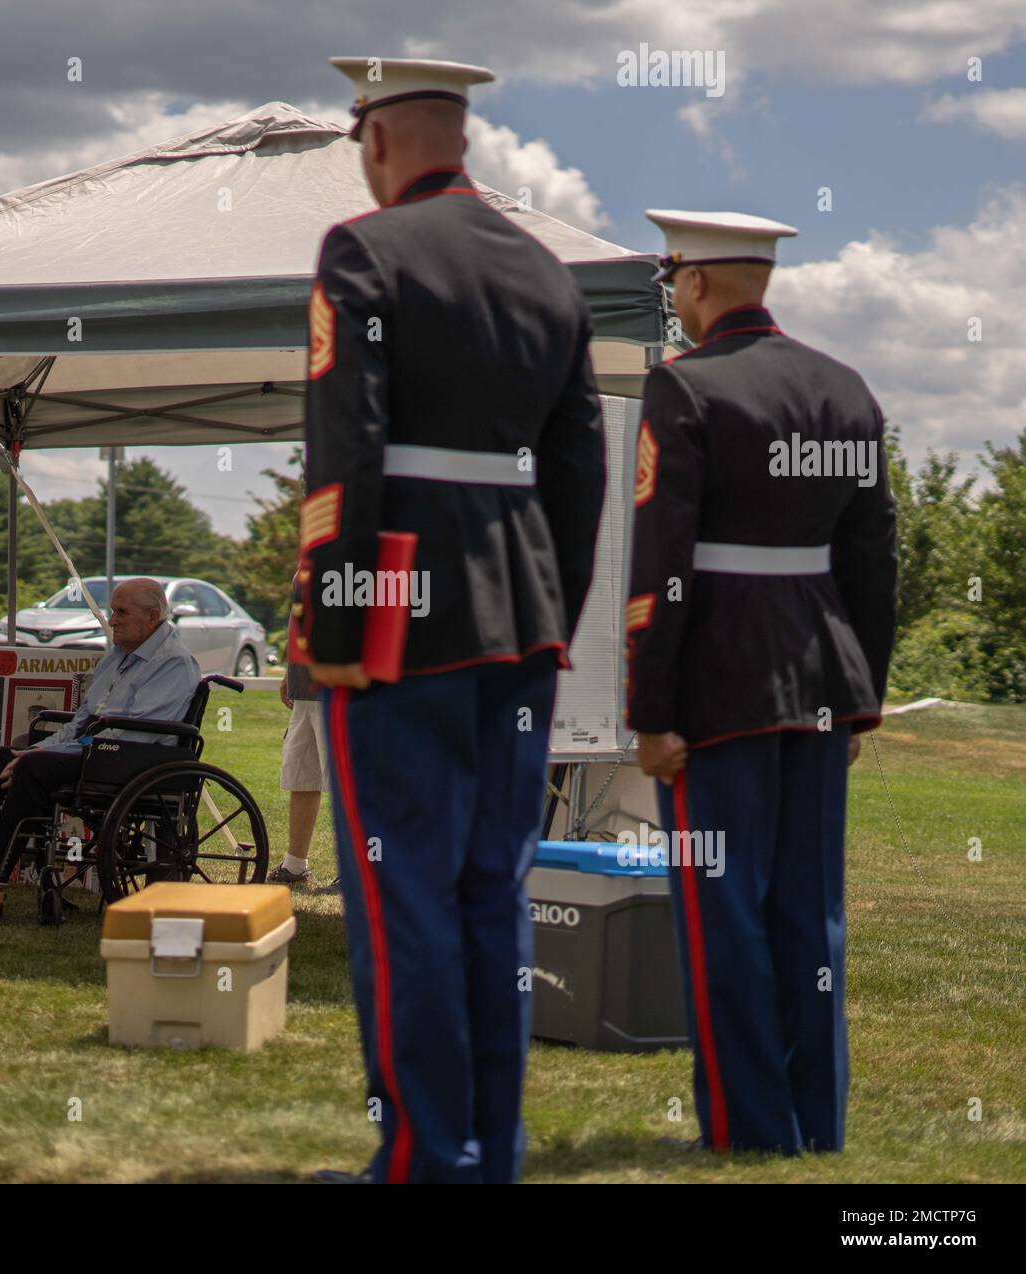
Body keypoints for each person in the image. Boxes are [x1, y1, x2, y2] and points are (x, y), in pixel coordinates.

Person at [293, 56, 605, 1183]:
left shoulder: (362, 252)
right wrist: (549, 617)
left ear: (374, 140)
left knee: (400, 888)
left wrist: (335, 629)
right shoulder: (545, 270)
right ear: (458, 138)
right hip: (518, 614)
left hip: (398, 617)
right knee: (489, 887)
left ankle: (427, 1154)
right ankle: (489, 1148)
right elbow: (580, 475)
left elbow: (347, 452)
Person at [626, 209, 898, 1153]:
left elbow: (662, 564)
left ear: (695, 282)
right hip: (822, 678)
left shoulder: (686, 389)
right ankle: (815, 1122)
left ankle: (748, 1129)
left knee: (722, 913)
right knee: (808, 910)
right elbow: (873, 559)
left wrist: (650, 712)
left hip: (719, 690)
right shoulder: (845, 388)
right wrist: (863, 696)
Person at [0, 578, 200, 922]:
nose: (111, 620)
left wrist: (41, 757)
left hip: (129, 760)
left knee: (34, 770)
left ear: (152, 616)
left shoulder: (172, 663)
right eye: (112, 611)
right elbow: (81, 722)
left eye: (121, 612)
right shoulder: (119, 657)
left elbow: (133, 735)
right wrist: (36, 750)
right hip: (100, 752)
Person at [267, 569, 331, 889]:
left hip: (337, 684)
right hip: (305, 684)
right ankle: (295, 866)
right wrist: (289, 673)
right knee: (302, 776)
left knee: (350, 786)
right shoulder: (310, 560)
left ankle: (362, 869)